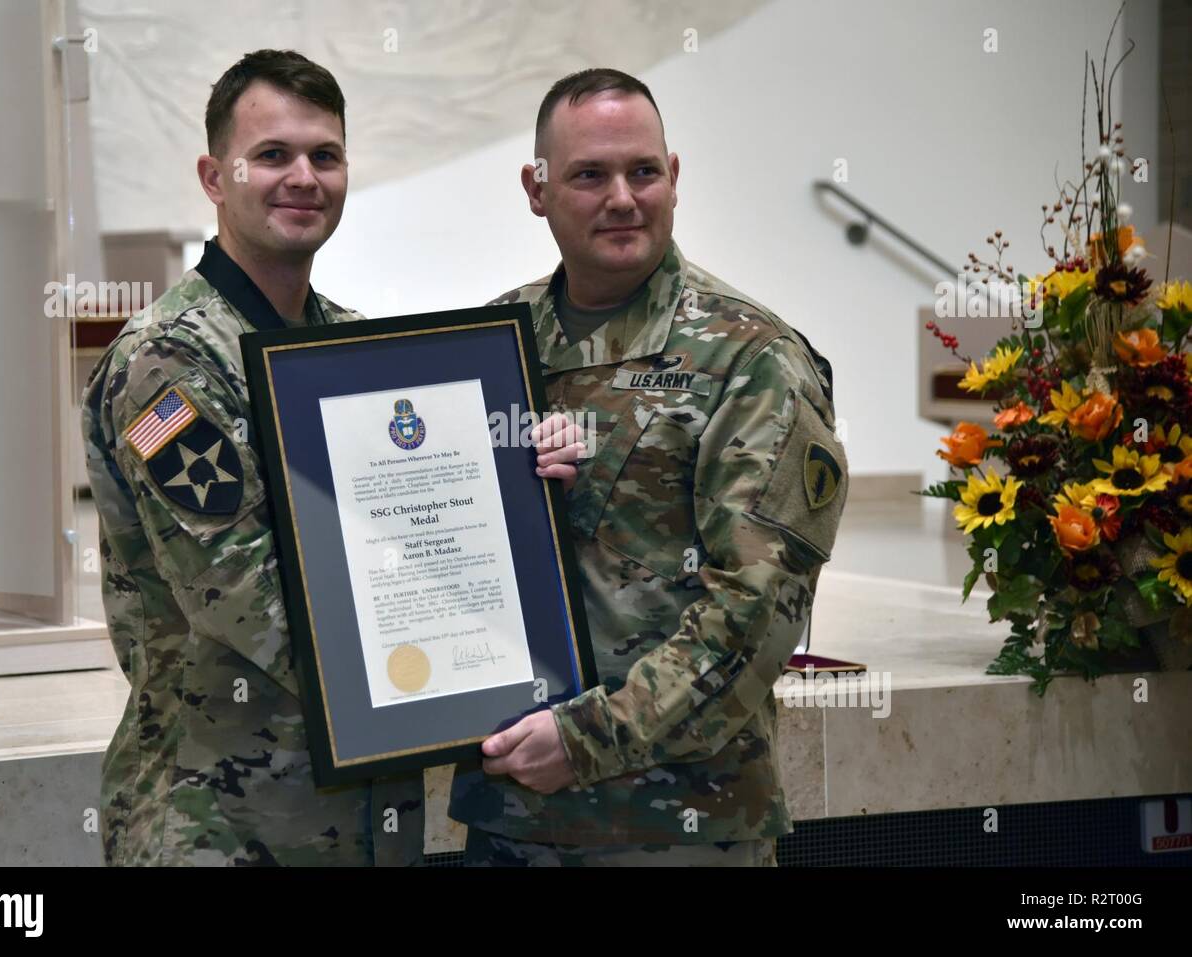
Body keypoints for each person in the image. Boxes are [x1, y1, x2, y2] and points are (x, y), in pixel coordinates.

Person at [448, 68, 849, 866]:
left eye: (644, 171)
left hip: (681, 827)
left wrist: (590, 738)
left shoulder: (751, 357)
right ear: (537, 188)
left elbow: (757, 609)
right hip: (515, 819)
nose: (623, 197)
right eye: (590, 175)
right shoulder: (490, 345)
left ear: (675, 176)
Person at [80, 49, 427, 865]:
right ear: (214, 174)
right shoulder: (167, 363)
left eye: (325, 155)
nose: (303, 177)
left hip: (364, 822)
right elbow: (241, 594)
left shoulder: (351, 344)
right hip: (225, 827)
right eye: (272, 155)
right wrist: (453, 681)